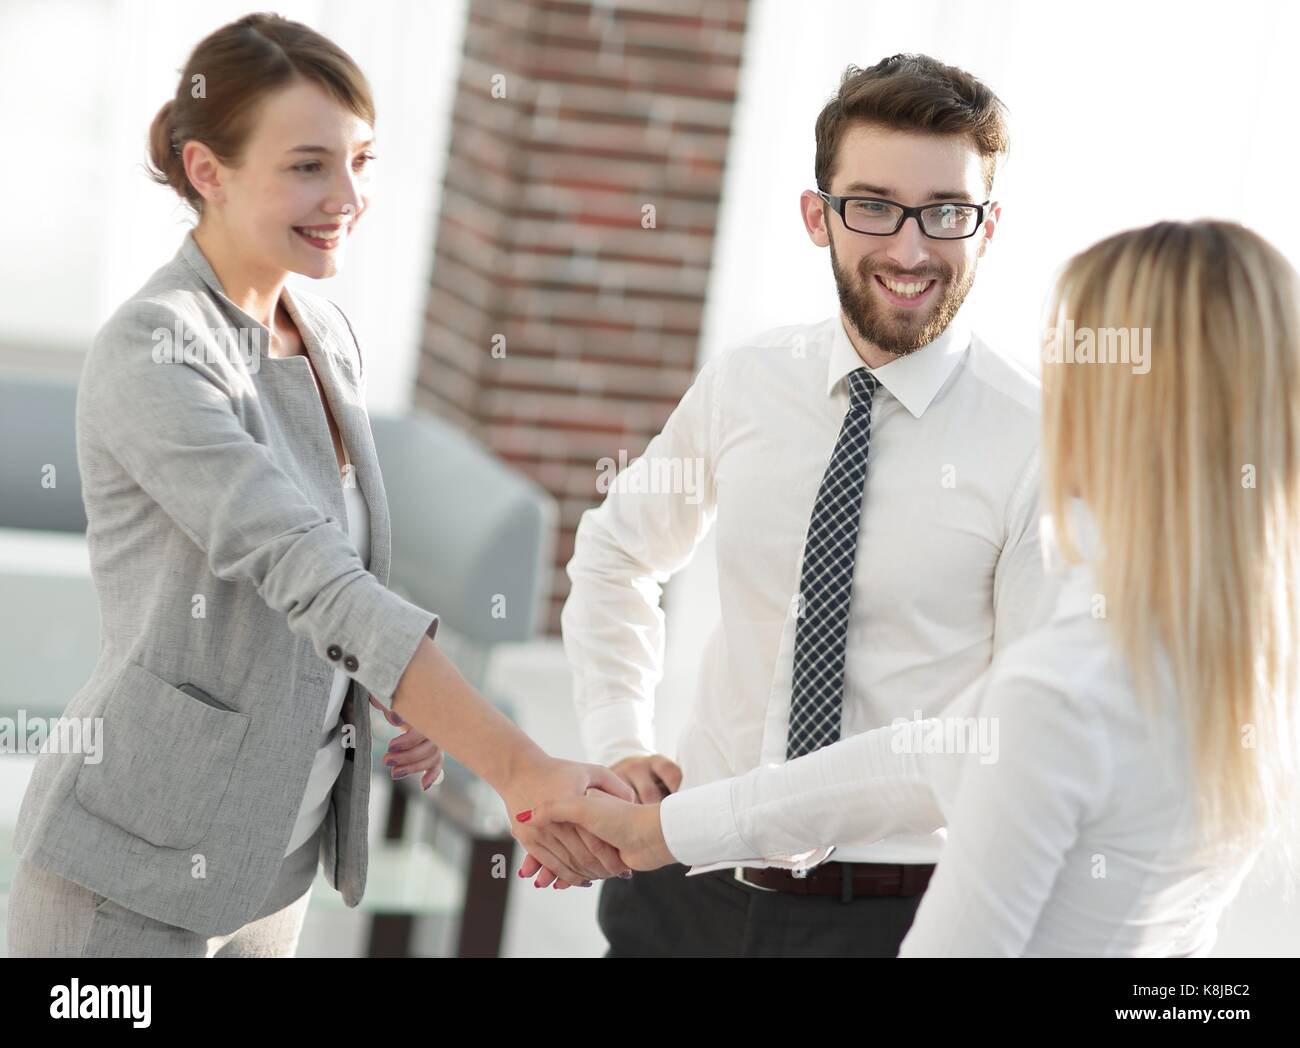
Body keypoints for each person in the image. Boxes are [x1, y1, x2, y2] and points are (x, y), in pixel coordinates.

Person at [6, 12, 630, 959]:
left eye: (362, 161)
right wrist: (521, 766)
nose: (348, 196)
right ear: (208, 171)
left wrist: (378, 688)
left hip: (272, 854)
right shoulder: (155, 348)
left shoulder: (325, 332)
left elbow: (328, 575)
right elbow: (301, 566)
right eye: (308, 166)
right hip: (130, 866)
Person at [522, 218, 1300, 957]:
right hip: (694, 888)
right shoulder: (1244, 662)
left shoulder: (1061, 683)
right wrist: (663, 827)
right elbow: (922, 757)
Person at [526, 54, 1062, 957]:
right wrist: (623, 742)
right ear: (818, 216)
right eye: (873, 206)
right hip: (680, 898)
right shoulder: (747, 381)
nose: (909, 246)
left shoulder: (1044, 446)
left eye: (947, 212)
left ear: (988, 227)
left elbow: (998, 737)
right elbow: (617, 554)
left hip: (893, 918)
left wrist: (709, 821)